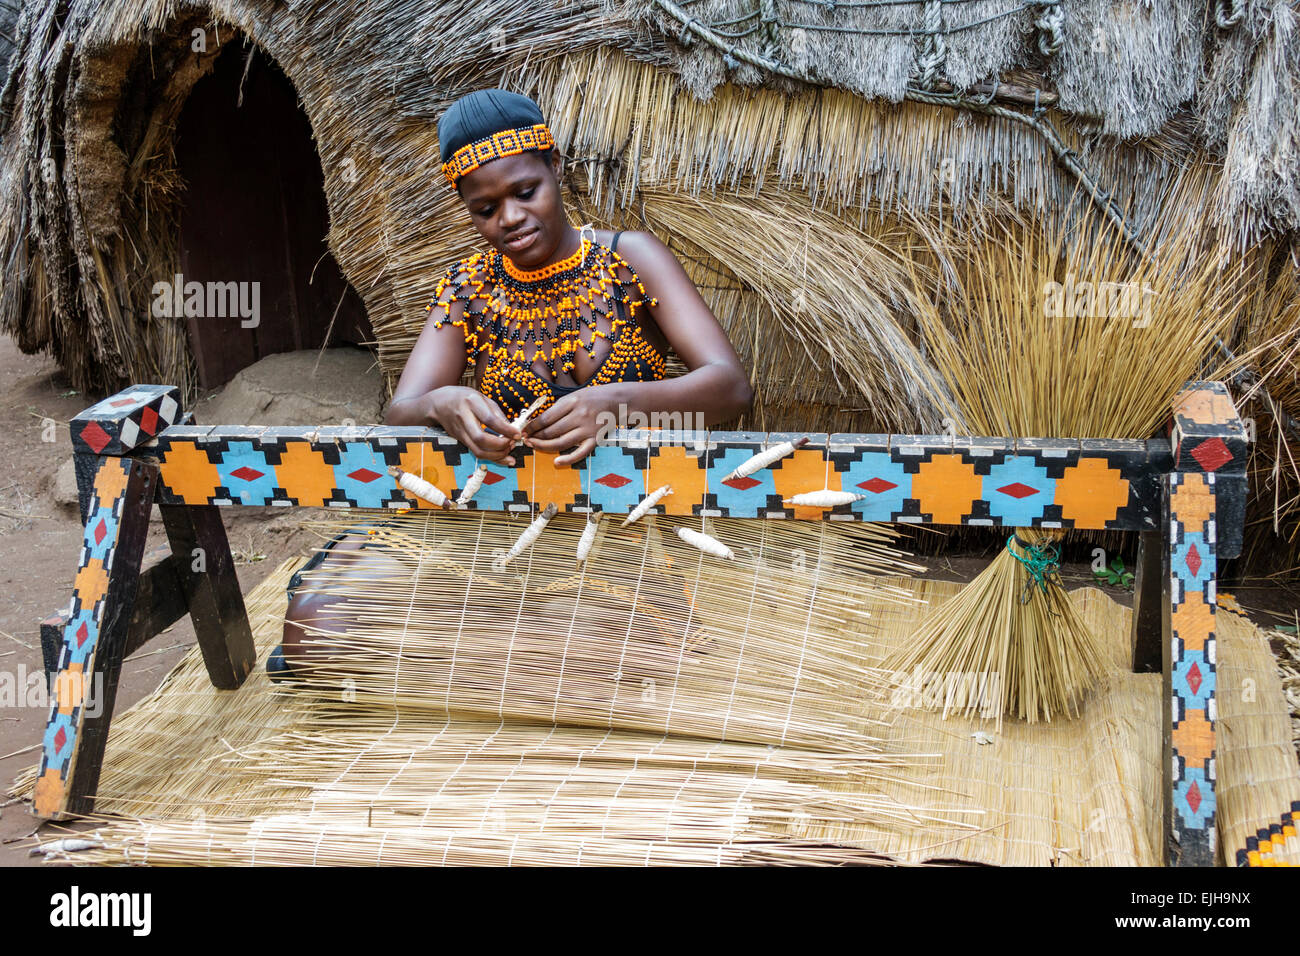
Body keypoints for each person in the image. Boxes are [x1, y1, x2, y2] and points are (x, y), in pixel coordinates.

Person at [269, 88, 753, 679]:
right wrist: (442, 403)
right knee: (317, 628)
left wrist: (616, 402)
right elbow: (400, 415)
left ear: (556, 168)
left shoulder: (631, 261)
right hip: (495, 521)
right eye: (486, 208)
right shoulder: (468, 287)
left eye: (527, 192)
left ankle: (475, 643)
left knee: (597, 653)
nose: (511, 219)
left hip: (621, 526)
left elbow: (729, 388)